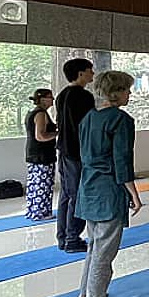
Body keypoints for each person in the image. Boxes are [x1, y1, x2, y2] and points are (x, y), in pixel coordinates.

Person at [76, 70, 143, 297]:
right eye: (127, 90)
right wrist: (134, 194)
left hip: (88, 187)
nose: (129, 95)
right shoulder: (120, 120)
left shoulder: (88, 118)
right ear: (116, 92)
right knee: (104, 250)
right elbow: (122, 161)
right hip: (107, 191)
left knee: (94, 245)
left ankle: (86, 294)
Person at [55, 58, 95, 253]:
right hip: (77, 152)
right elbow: (87, 126)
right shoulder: (83, 96)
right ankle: (72, 238)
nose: (92, 74)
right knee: (78, 195)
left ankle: (63, 237)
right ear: (80, 73)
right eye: (90, 70)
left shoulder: (62, 95)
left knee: (66, 195)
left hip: (63, 150)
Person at [24, 88, 58, 221]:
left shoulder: (33, 113)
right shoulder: (41, 114)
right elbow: (41, 136)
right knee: (43, 185)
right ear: (42, 99)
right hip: (42, 155)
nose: (52, 99)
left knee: (34, 183)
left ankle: (33, 210)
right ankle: (41, 213)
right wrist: (58, 133)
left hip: (33, 153)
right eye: (50, 97)